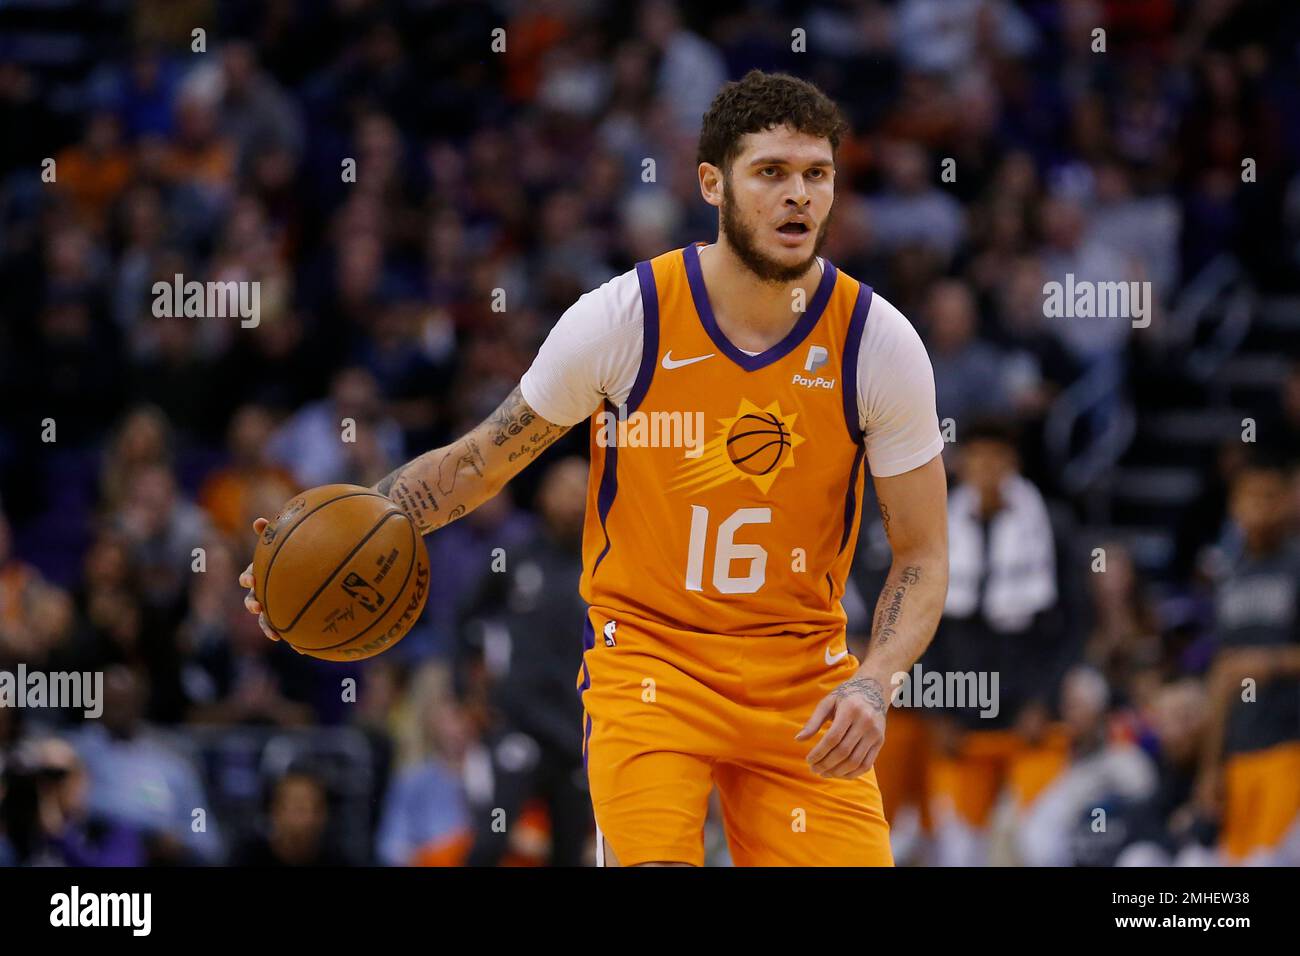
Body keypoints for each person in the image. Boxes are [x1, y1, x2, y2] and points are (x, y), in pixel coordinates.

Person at [242, 70, 949, 867]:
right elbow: (479, 461)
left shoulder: (877, 345)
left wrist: (876, 678)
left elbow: (922, 557)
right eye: (772, 173)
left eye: (816, 175)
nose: (799, 197)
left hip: (802, 677)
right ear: (712, 182)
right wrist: (332, 542)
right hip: (652, 667)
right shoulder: (627, 318)